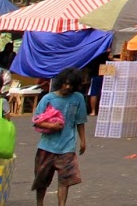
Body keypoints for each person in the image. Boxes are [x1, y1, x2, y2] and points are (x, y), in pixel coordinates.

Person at [32, 68, 89, 206]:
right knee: (42, 180)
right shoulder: (48, 98)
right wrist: (51, 126)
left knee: (65, 180)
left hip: (67, 146)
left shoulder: (78, 98)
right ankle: (40, 203)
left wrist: (83, 140)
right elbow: (36, 121)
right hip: (47, 146)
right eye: (65, 83)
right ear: (60, 83)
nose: (67, 87)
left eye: (71, 85)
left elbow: (80, 121)